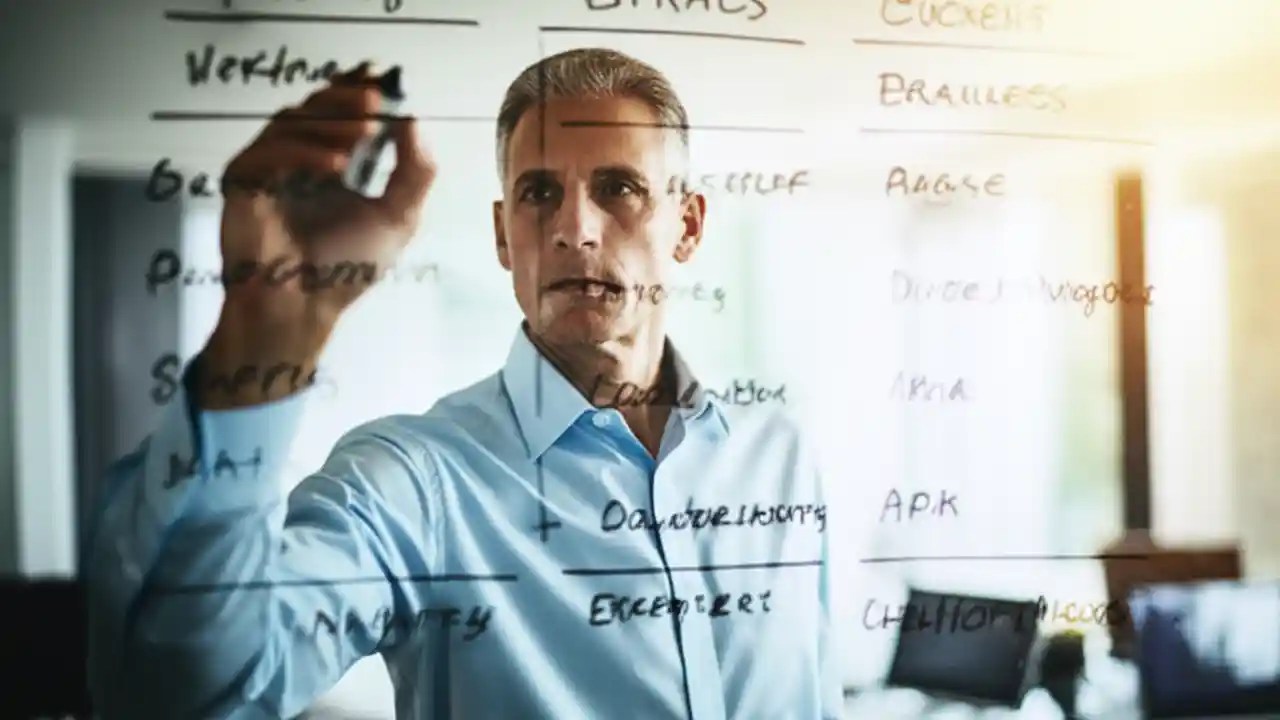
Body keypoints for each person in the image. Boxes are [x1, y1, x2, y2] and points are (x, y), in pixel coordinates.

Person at [85, 48, 842, 719]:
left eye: (618, 187)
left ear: (688, 225)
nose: (575, 228)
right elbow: (189, 692)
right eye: (539, 193)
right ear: (502, 234)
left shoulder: (782, 459)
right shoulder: (413, 482)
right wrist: (262, 339)